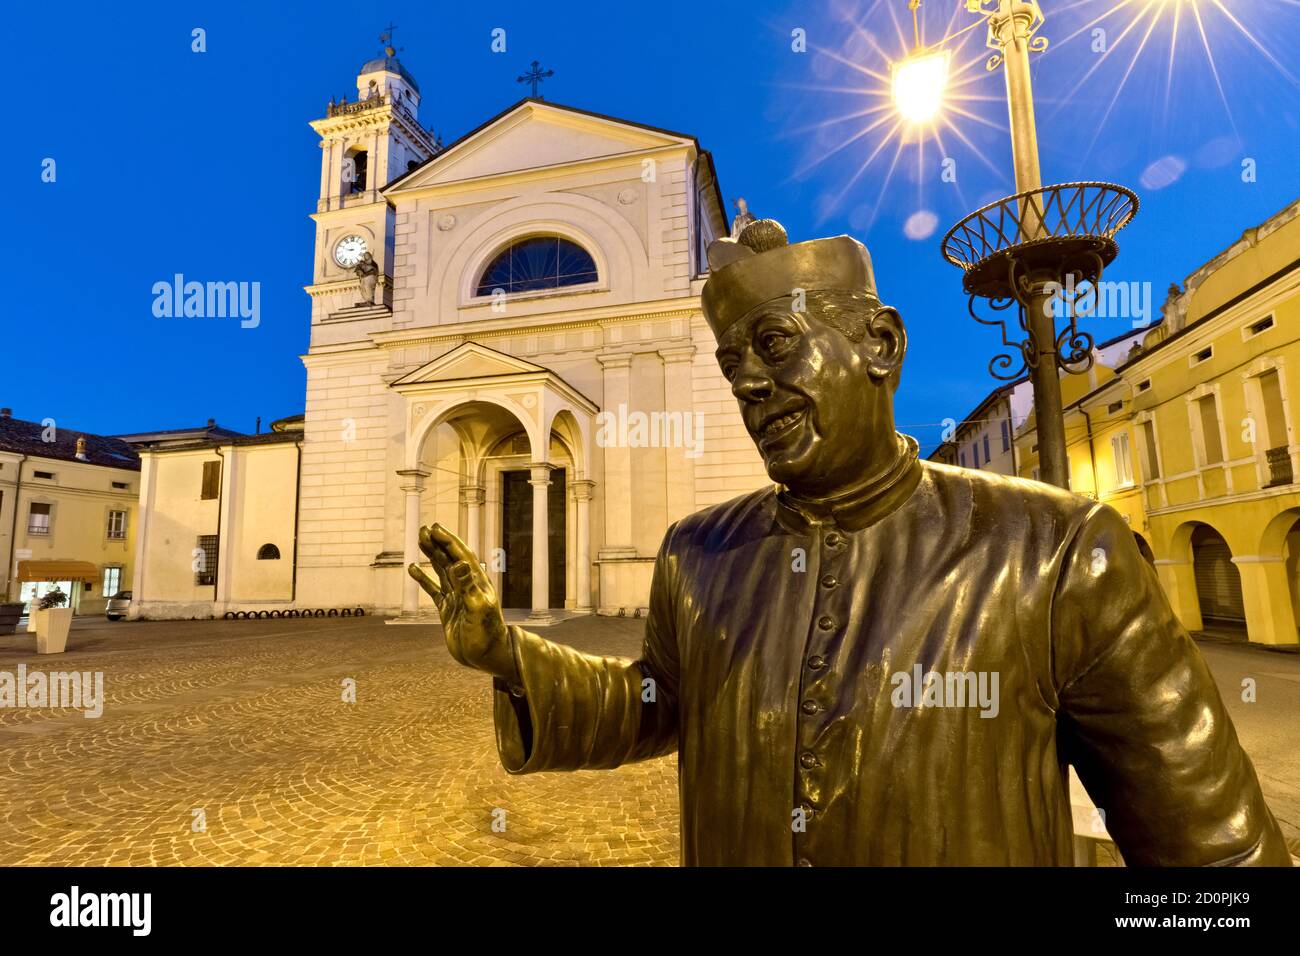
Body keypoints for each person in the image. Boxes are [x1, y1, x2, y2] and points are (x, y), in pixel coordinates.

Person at [410, 218, 1290, 866]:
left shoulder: (1056, 549)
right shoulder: (699, 553)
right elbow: (657, 705)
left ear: (881, 344)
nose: (750, 383)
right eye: (730, 366)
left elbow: (1214, 856)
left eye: (775, 344)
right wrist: (509, 657)